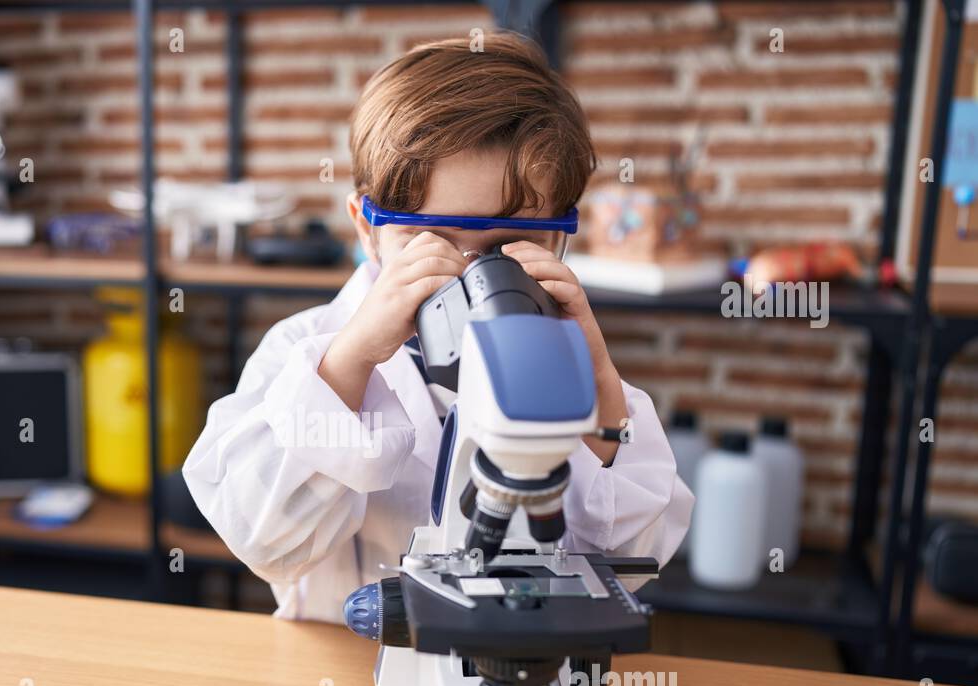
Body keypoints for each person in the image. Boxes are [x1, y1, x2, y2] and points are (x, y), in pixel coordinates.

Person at [184, 32, 692, 622]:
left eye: (510, 244)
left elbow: (636, 555)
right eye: (431, 240)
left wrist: (597, 377)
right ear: (367, 228)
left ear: (563, 237)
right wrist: (347, 365)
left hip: (512, 656)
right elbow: (262, 539)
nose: (471, 272)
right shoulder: (305, 346)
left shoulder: (574, 367)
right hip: (337, 664)